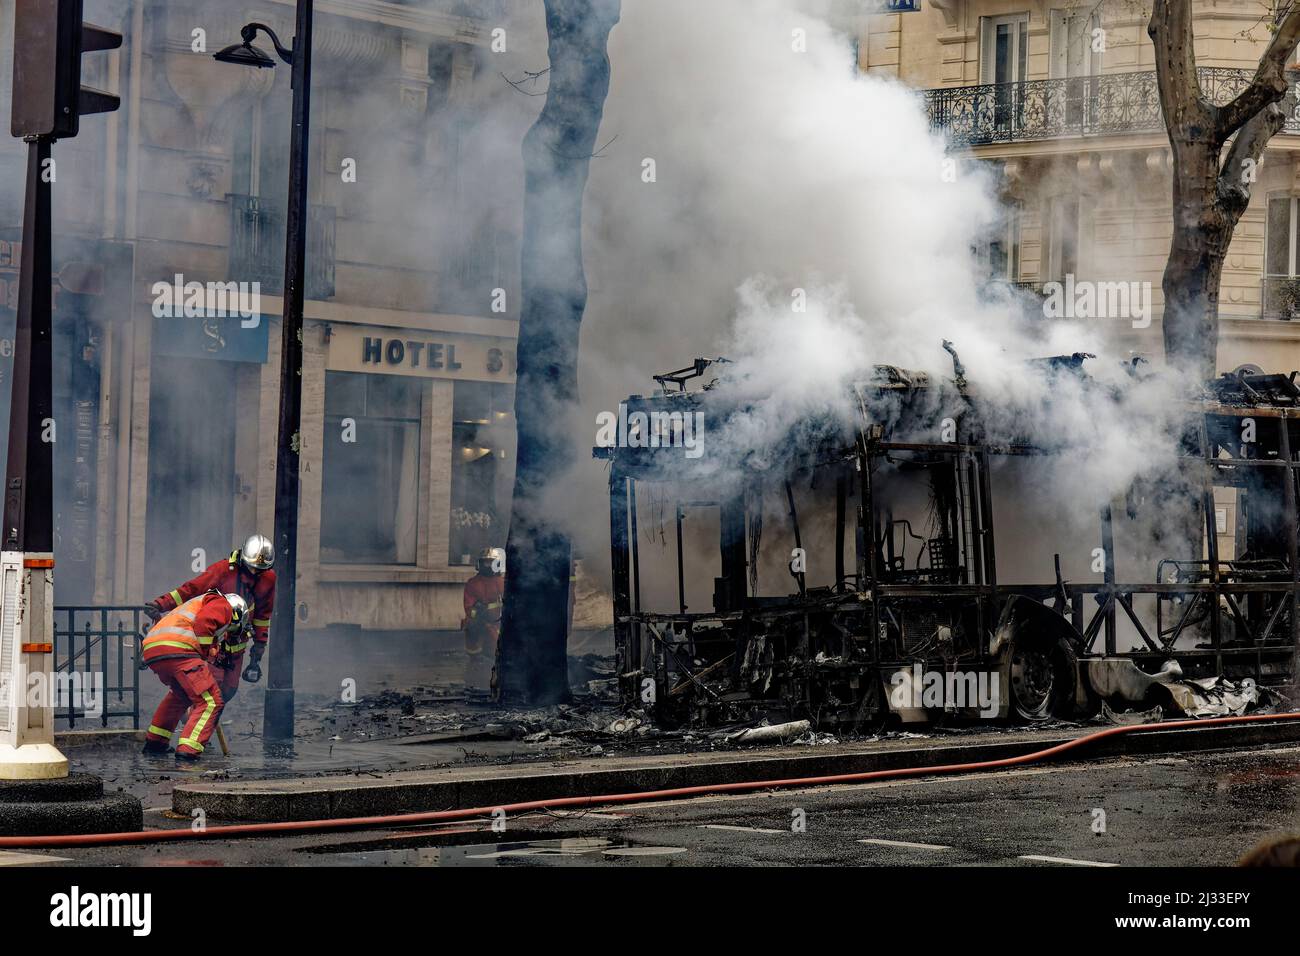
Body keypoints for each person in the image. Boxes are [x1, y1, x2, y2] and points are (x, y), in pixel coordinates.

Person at [144, 533, 276, 708]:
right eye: (251, 568)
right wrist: (161, 604)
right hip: (215, 644)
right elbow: (191, 590)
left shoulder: (268, 579)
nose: (254, 574)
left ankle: (194, 720)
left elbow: (263, 615)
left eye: (259, 570)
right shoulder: (221, 571)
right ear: (242, 560)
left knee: (228, 690)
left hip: (237, 646)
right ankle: (193, 723)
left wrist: (259, 646)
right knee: (209, 691)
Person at [141, 591, 248, 761]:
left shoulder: (197, 605)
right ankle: (189, 751)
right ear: (237, 615)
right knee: (211, 701)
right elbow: (204, 624)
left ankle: (156, 743)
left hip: (154, 648)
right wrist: (204, 656)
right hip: (180, 649)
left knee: (180, 696)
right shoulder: (223, 605)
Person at [462, 547, 504, 690]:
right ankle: (475, 661)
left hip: (498, 622)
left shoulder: (502, 582)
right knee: (470, 626)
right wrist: (477, 613)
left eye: (490, 562)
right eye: (484, 562)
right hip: (480, 621)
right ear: (479, 564)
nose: (487, 565)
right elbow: (468, 607)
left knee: (496, 649)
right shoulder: (472, 583)